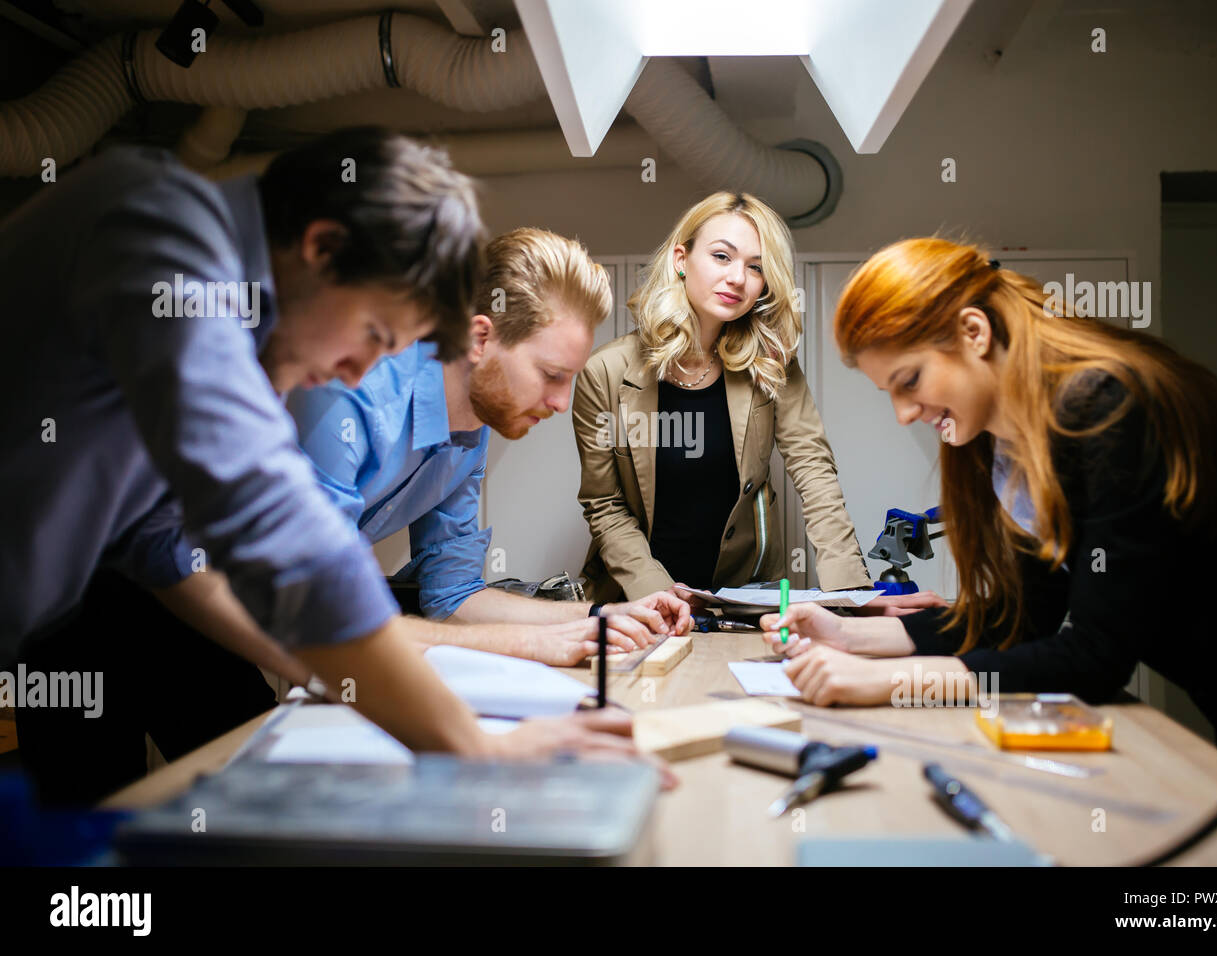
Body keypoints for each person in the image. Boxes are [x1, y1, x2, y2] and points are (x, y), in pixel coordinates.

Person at [2, 127, 646, 804]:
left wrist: (349, 682)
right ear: (322, 249)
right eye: (374, 333)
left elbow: (167, 547)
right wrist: (477, 746)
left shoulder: (233, 330)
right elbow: (287, 538)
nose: (360, 369)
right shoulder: (159, 229)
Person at [761, 237, 1217, 790]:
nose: (904, 414)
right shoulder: (1003, 441)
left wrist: (889, 681)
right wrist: (850, 638)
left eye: (911, 381)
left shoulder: (1111, 406)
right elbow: (1022, 618)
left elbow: (1094, 658)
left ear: (975, 333)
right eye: (888, 393)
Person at [287, 228, 691, 667]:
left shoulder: (471, 426)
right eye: (551, 374)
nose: (561, 403)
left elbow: (453, 596)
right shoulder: (350, 393)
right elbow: (330, 614)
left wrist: (599, 616)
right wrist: (527, 645)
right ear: (481, 339)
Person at [572, 192, 872, 603]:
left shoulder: (772, 362)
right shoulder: (604, 373)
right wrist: (658, 594)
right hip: (635, 599)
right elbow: (604, 504)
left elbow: (813, 469)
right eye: (721, 256)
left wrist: (852, 591)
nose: (737, 278)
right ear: (681, 260)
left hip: (745, 596)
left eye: (756, 267)